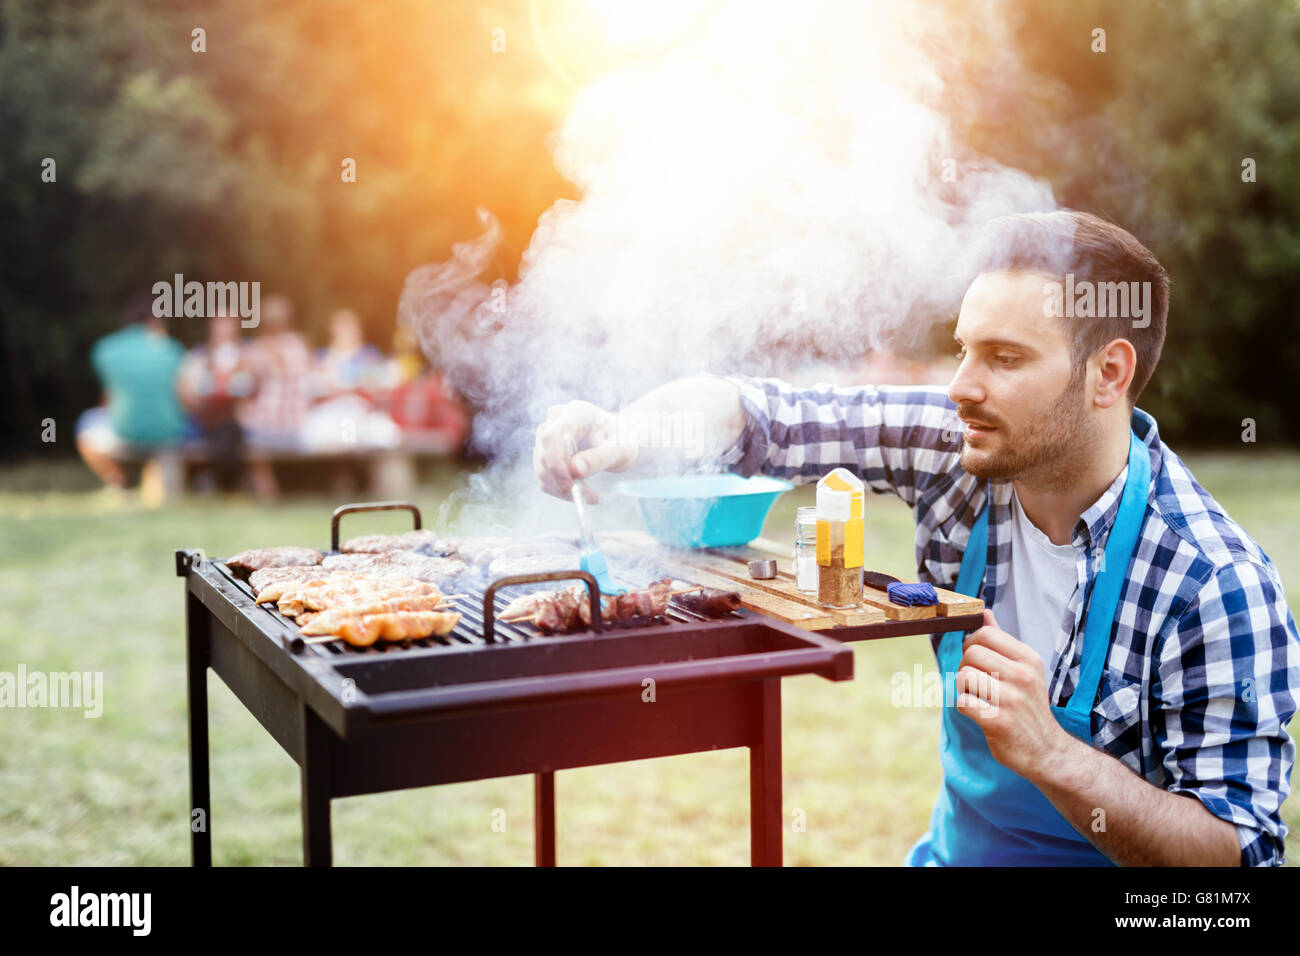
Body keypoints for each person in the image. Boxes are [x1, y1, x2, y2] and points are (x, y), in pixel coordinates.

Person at [533, 210, 1300, 866]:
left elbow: (1237, 853)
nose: (962, 385)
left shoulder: (1214, 583)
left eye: (1004, 358)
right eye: (964, 349)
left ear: (1108, 374)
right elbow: (764, 414)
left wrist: (1053, 753)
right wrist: (627, 429)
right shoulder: (957, 453)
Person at [76, 295, 187, 493]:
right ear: (155, 322)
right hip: (167, 433)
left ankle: (117, 482)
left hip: (124, 431)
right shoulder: (172, 349)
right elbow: (182, 396)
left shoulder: (106, 349)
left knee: (85, 425)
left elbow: (110, 395)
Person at [240, 294, 312, 500]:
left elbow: (244, 377)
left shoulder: (261, 349)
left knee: (245, 425)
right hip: (300, 425)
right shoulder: (300, 345)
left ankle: (267, 495)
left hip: (274, 429)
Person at [178, 311, 255, 491]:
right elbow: (187, 392)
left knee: (230, 425)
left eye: (229, 326)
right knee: (221, 426)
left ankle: (218, 479)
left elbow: (254, 386)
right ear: (211, 329)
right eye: (220, 326)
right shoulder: (198, 356)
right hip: (206, 417)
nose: (224, 331)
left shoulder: (248, 354)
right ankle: (224, 480)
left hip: (240, 418)